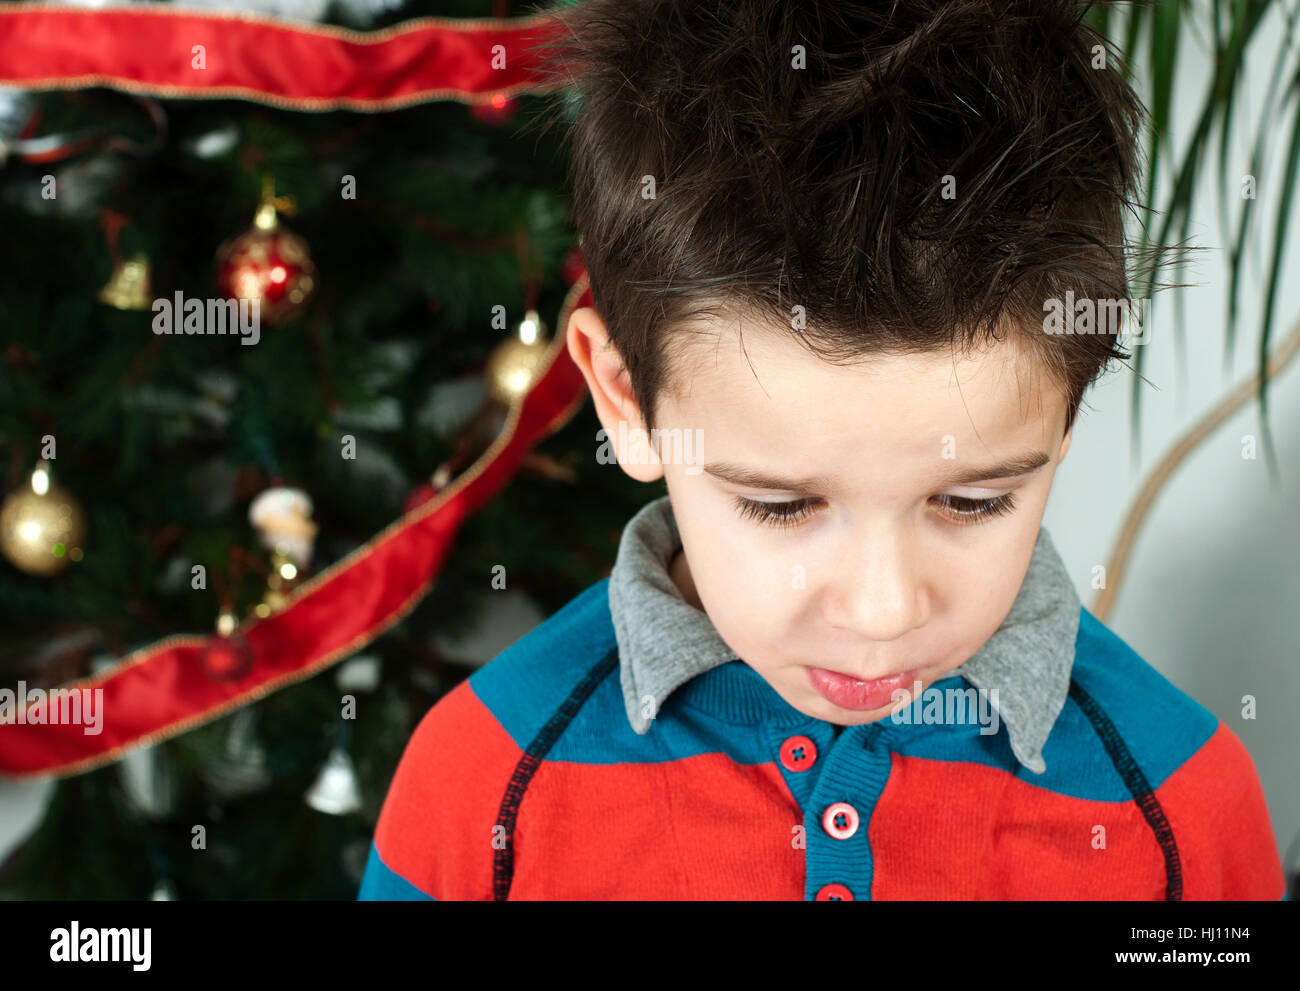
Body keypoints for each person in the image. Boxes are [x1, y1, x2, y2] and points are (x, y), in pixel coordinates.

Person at [358, 0, 1285, 900]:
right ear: (627, 402)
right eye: (781, 505)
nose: (882, 613)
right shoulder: (484, 789)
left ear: (1065, 418)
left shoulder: (1182, 813)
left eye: (971, 502)